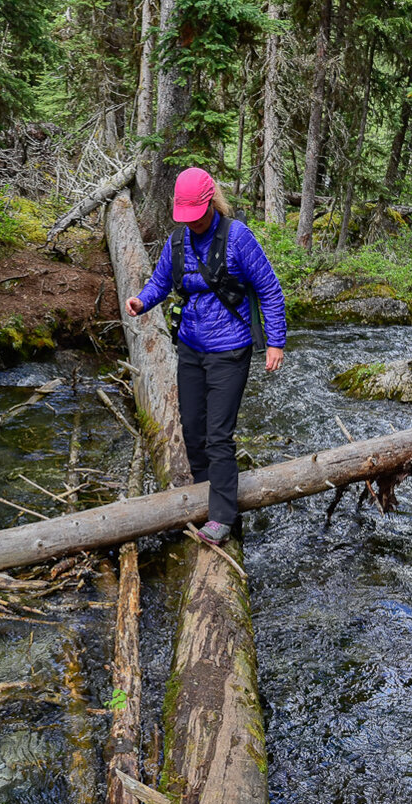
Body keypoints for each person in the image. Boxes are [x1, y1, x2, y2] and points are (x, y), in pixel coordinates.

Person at [125, 166, 287, 546]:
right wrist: (142, 301)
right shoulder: (177, 240)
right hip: (191, 347)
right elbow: (161, 281)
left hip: (231, 348)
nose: (192, 222)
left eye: (197, 214)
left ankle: (222, 516)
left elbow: (270, 290)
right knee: (193, 432)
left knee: (218, 435)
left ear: (210, 203)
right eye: (186, 216)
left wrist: (275, 342)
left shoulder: (238, 237)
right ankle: (203, 494)